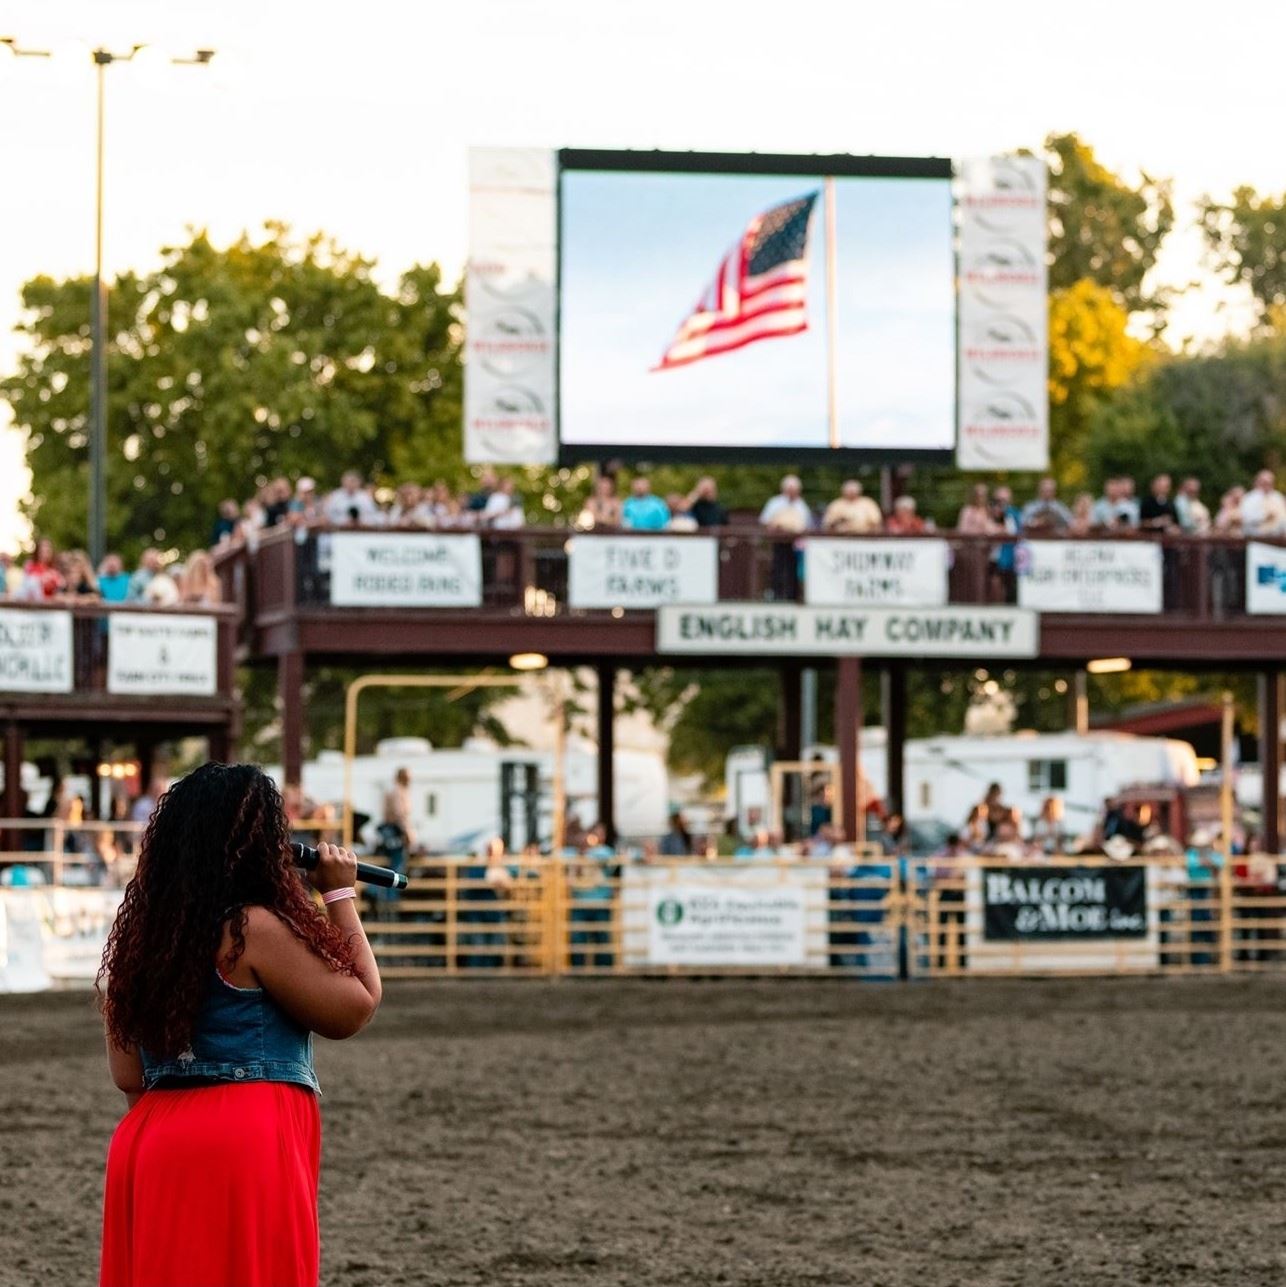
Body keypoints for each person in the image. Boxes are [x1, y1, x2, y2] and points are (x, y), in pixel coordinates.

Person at [98, 763, 381, 1287]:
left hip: (149, 1143)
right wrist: (339, 896)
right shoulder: (251, 929)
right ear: (261, 843)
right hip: (243, 1137)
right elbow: (355, 1004)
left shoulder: (142, 941)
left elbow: (128, 1076)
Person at [1239, 469, 1286, 536]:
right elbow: (1245, 518)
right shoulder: (1249, 498)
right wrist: (1264, 517)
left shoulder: (1277, 497)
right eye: (1264, 482)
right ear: (1258, 482)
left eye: (1270, 483)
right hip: (1256, 539)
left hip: (1278, 538)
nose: (1267, 485)